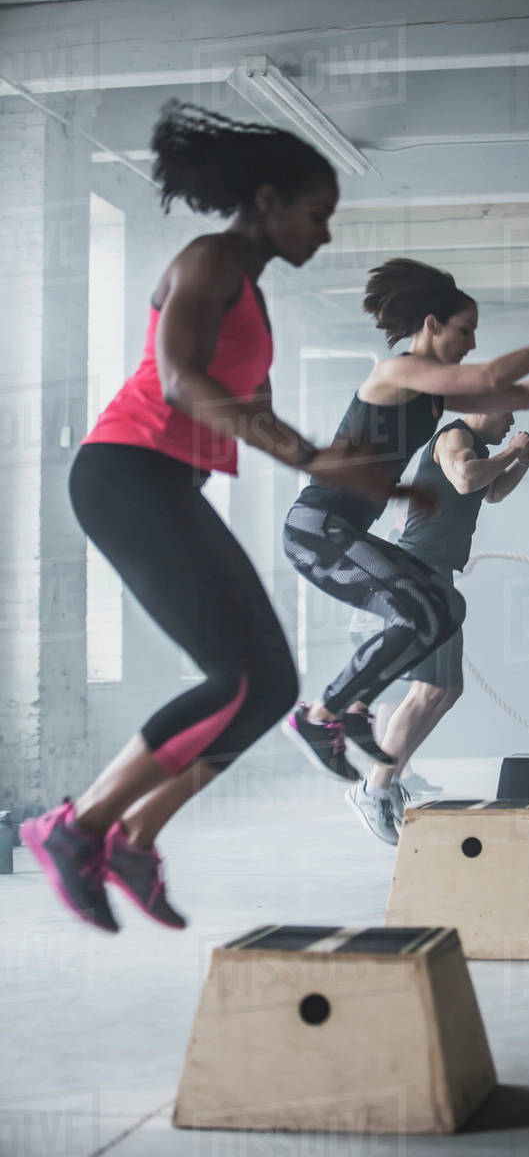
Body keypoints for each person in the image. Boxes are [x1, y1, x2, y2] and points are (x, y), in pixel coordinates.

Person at [20, 102, 412, 934]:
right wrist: (313, 458)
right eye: (317, 215)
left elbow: (258, 421)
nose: (326, 235)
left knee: (269, 685)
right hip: (125, 473)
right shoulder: (208, 260)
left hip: (166, 484)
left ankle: (134, 837)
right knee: (234, 678)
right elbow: (179, 383)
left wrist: (350, 471)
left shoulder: (255, 304)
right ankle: (76, 826)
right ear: (266, 200)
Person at [281, 257, 529, 796]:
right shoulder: (395, 372)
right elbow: (493, 378)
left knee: (444, 609)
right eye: (464, 331)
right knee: (421, 610)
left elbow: (524, 395)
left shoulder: (437, 396)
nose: (470, 343)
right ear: (430, 326)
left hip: (346, 531)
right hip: (318, 526)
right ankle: (324, 712)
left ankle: (348, 708)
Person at [346, 410, 529, 843]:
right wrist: (513, 451)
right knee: (428, 690)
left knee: (447, 690)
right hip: (418, 574)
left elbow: (489, 493)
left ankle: (387, 781)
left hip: (437, 575)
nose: (510, 419)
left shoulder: (480, 450)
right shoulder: (454, 437)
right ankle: (374, 789)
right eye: (505, 409)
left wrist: (520, 462)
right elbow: (465, 481)